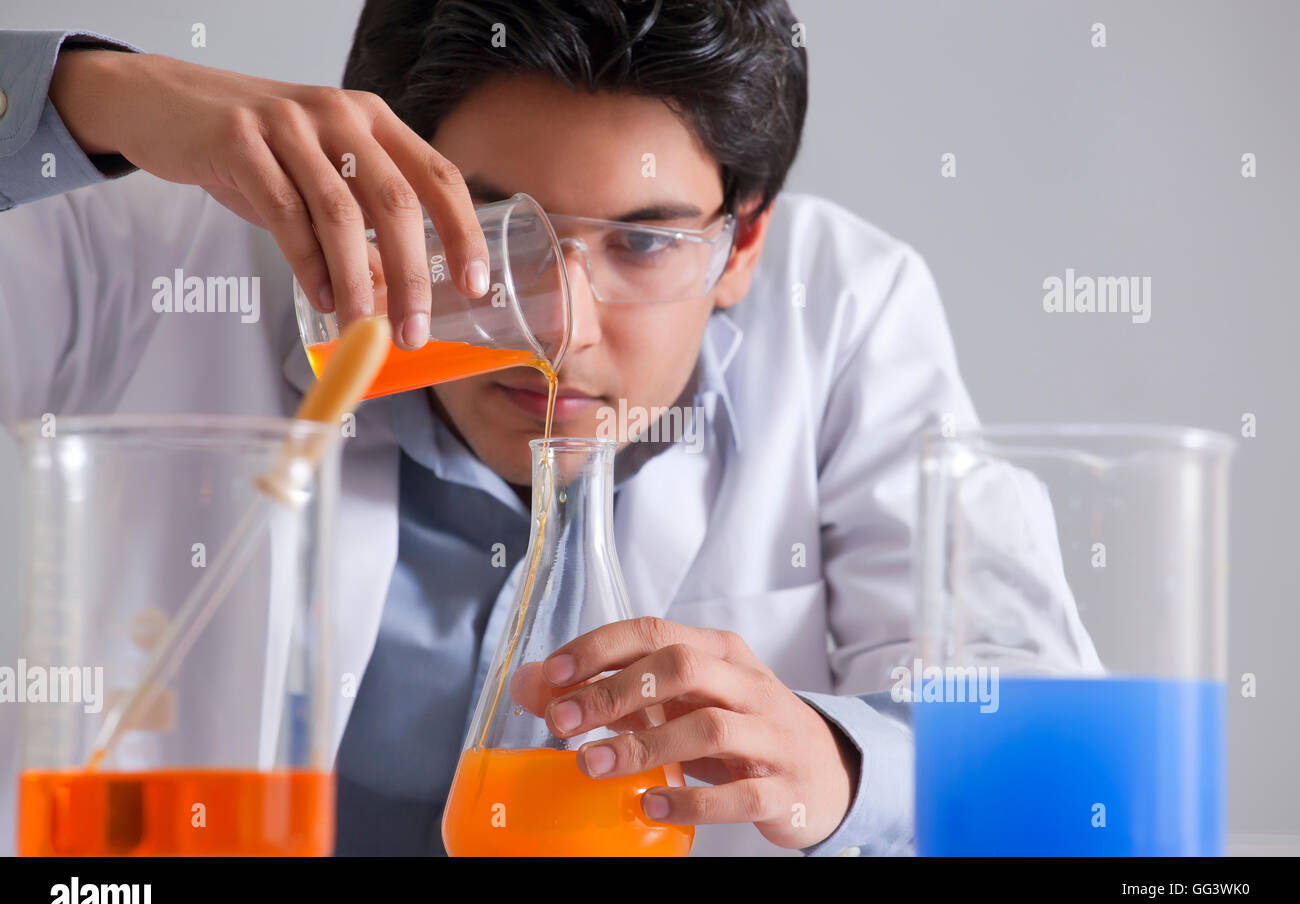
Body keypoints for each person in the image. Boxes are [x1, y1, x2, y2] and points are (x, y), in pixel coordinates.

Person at [0, 1, 1093, 857]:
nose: (559, 331)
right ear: (382, 184)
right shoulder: (156, 258)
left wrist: (839, 767)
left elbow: (1065, 776)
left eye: (644, 243)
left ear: (744, 245)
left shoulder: (843, 312)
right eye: (485, 227)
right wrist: (86, 92)